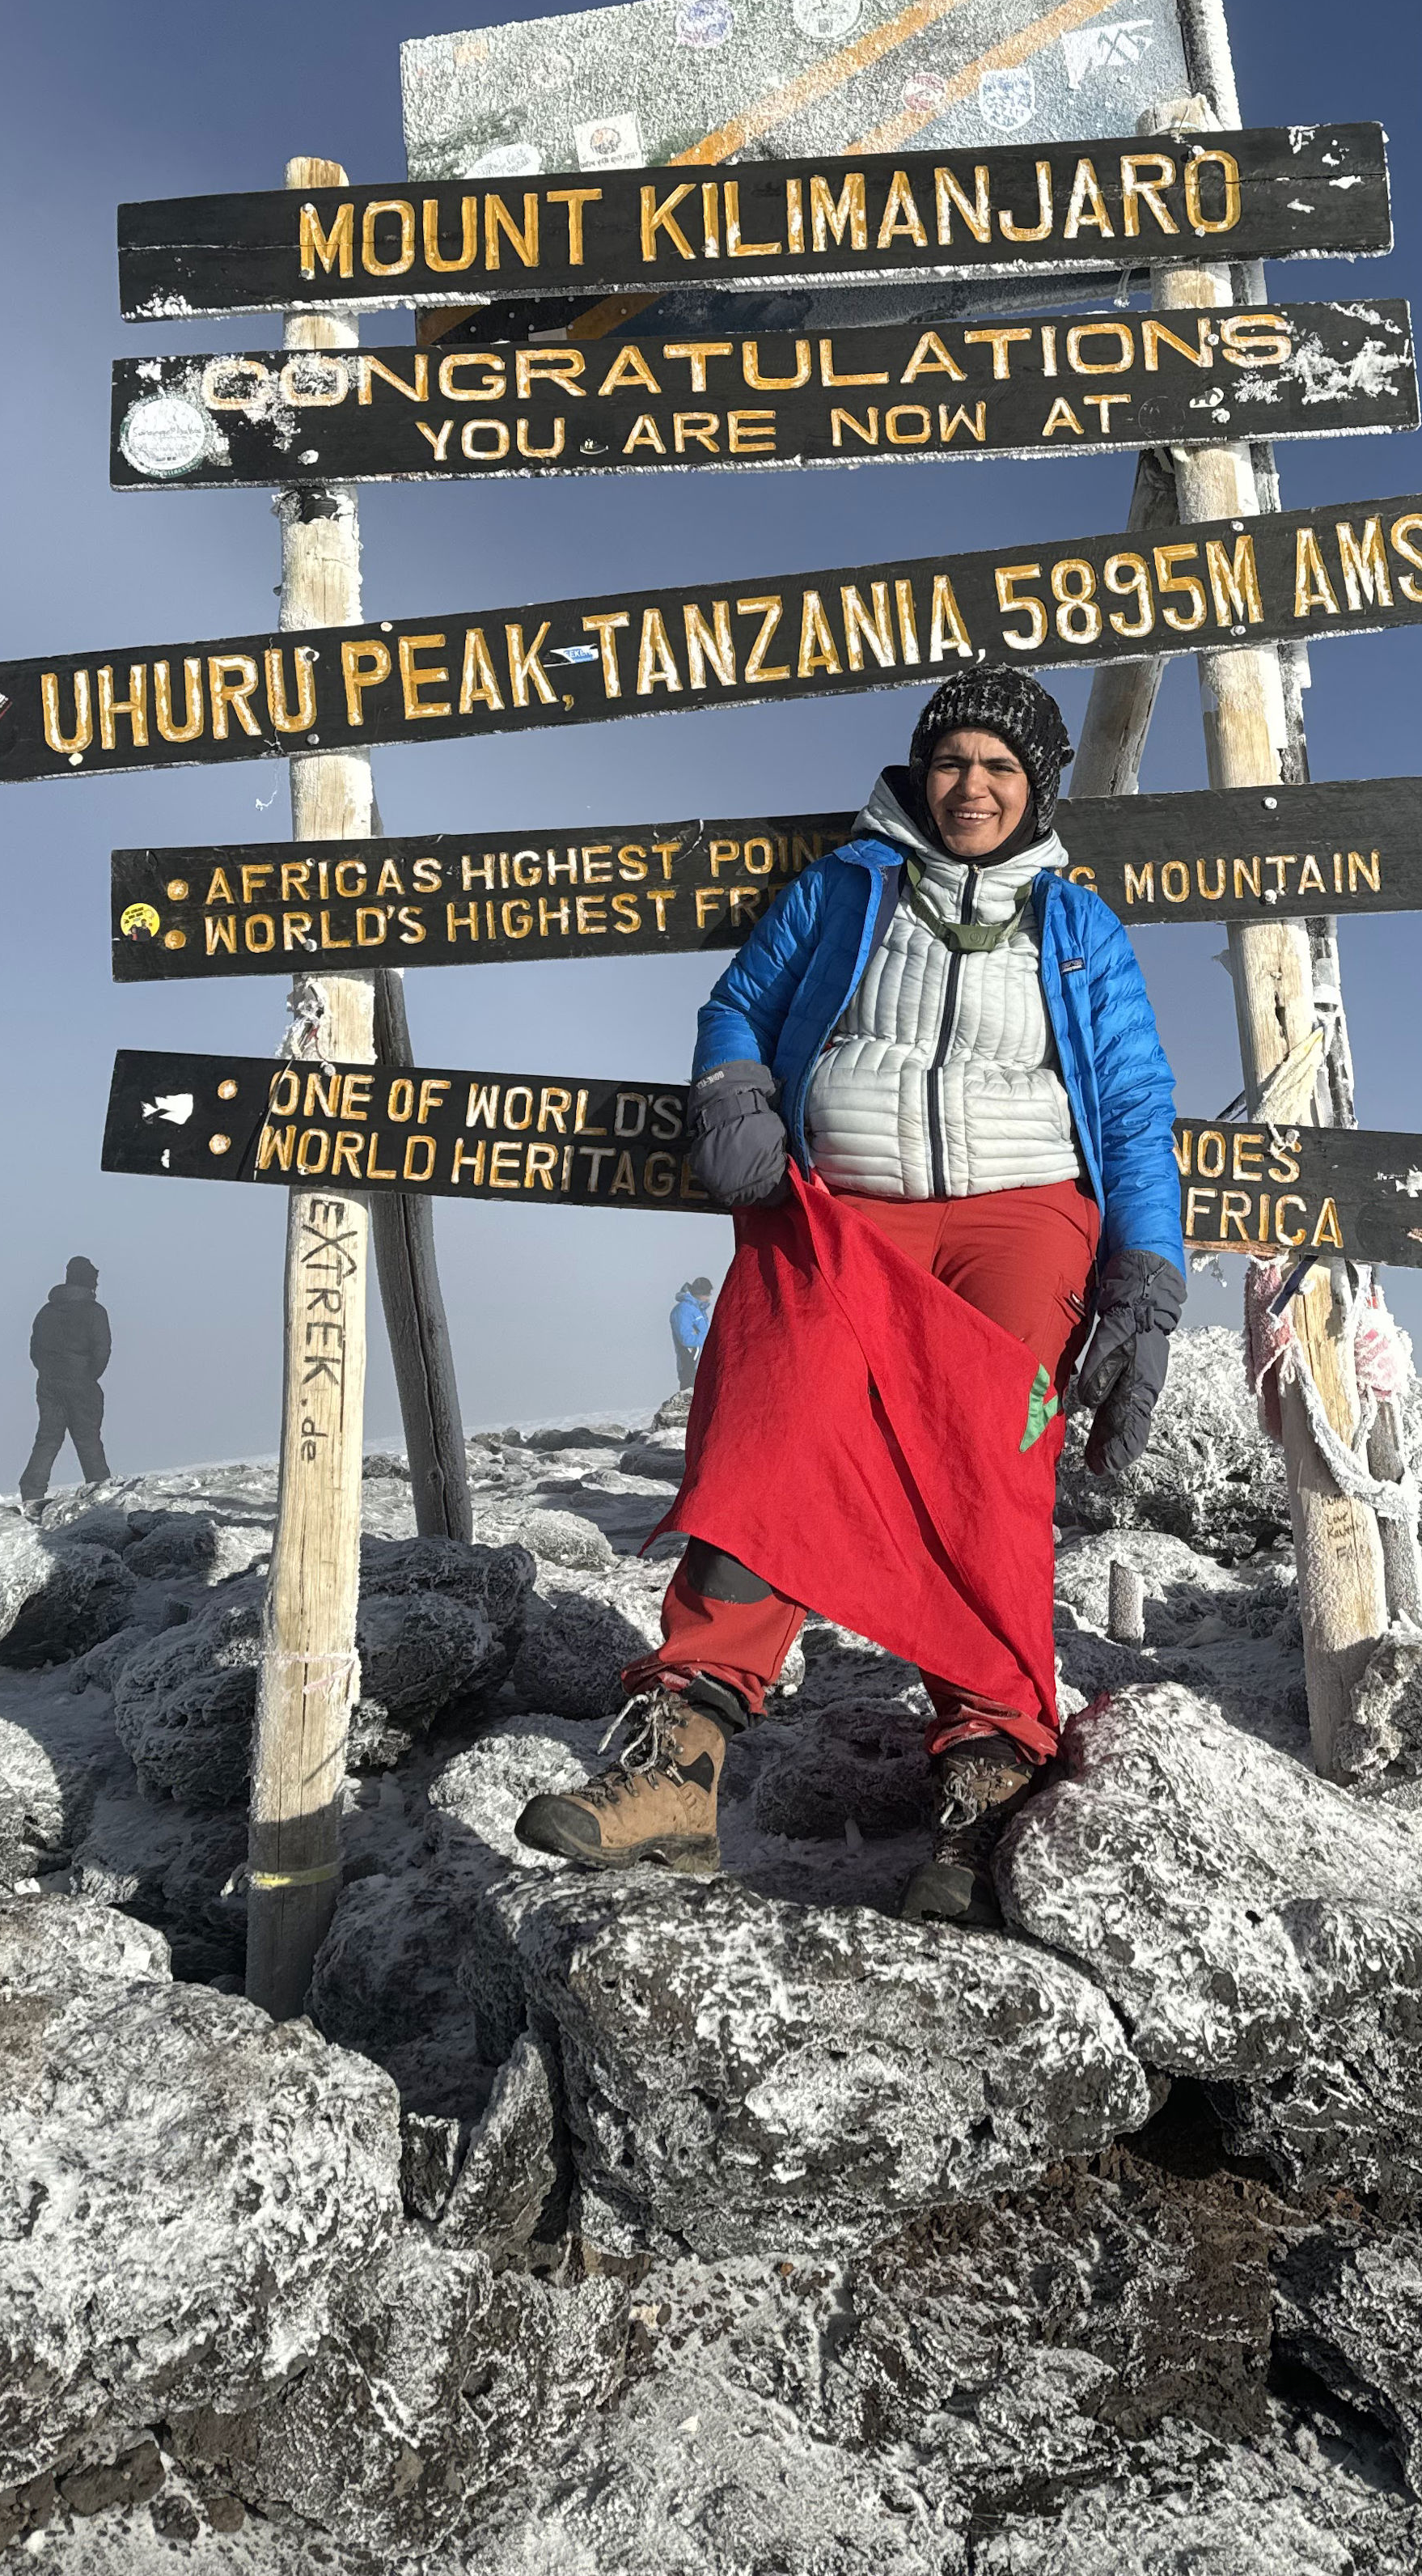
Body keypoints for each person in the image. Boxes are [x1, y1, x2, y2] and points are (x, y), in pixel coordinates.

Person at [520, 666, 1185, 1925]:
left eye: (998, 767)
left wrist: (1145, 1274)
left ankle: (989, 1765)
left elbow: (1137, 1105)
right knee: (767, 1432)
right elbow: (741, 1004)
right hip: (844, 1205)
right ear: (919, 772)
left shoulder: (1078, 925)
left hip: (1022, 1210)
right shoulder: (842, 884)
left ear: (1034, 782)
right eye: (952, 761)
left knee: (985, 1465)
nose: (971, 785)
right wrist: (733, 1092)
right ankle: (679, 1758)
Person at [19, 1255, 112, 1507]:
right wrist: (86, 1375)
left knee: (48, 1438)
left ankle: (31, 1491)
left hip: (49, 1383)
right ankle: (101, 1492)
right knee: (88, 1439)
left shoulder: (46, 1312)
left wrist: (51, 1372)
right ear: (88, 1282)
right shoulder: (95, 1312)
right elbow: (102, 1351)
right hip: (81, 1383)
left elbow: (34, 1350)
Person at [671, 1273, 716, 1395]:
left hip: (699, 1363)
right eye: (706, 1294)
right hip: (689, 1363)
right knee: (690, 1398)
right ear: (699, 1293)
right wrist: (710, 1339)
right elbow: (686, 1339)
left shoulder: (697, 1310)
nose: (708, 1297)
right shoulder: (684, 1310)